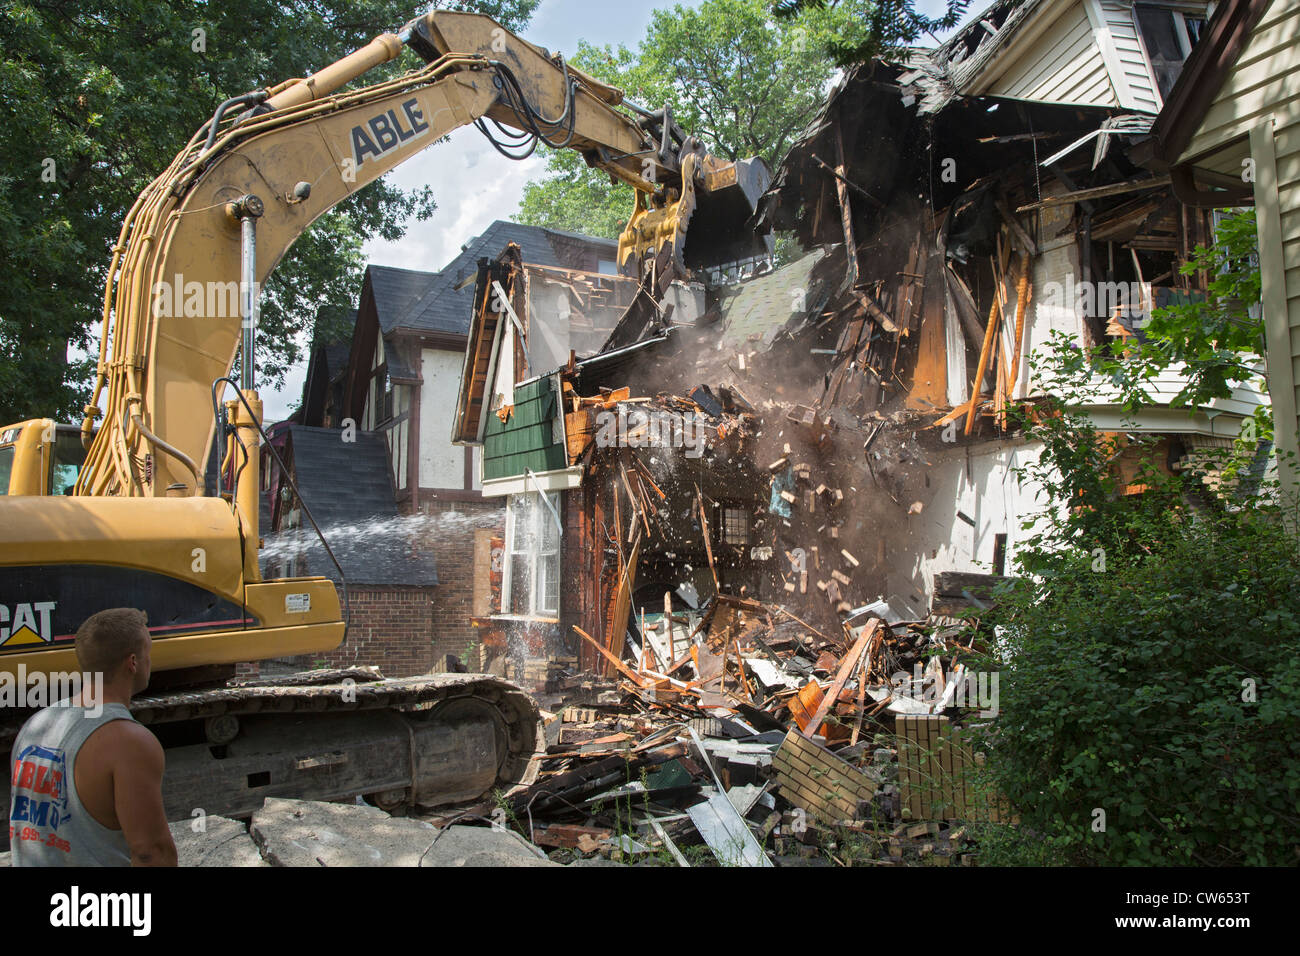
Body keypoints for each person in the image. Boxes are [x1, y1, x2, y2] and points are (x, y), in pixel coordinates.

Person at [8, 608, 177, 866]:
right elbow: (150, 852)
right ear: (132, 662)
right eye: (148, 654)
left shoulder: (35, 725)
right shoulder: (129, 742)